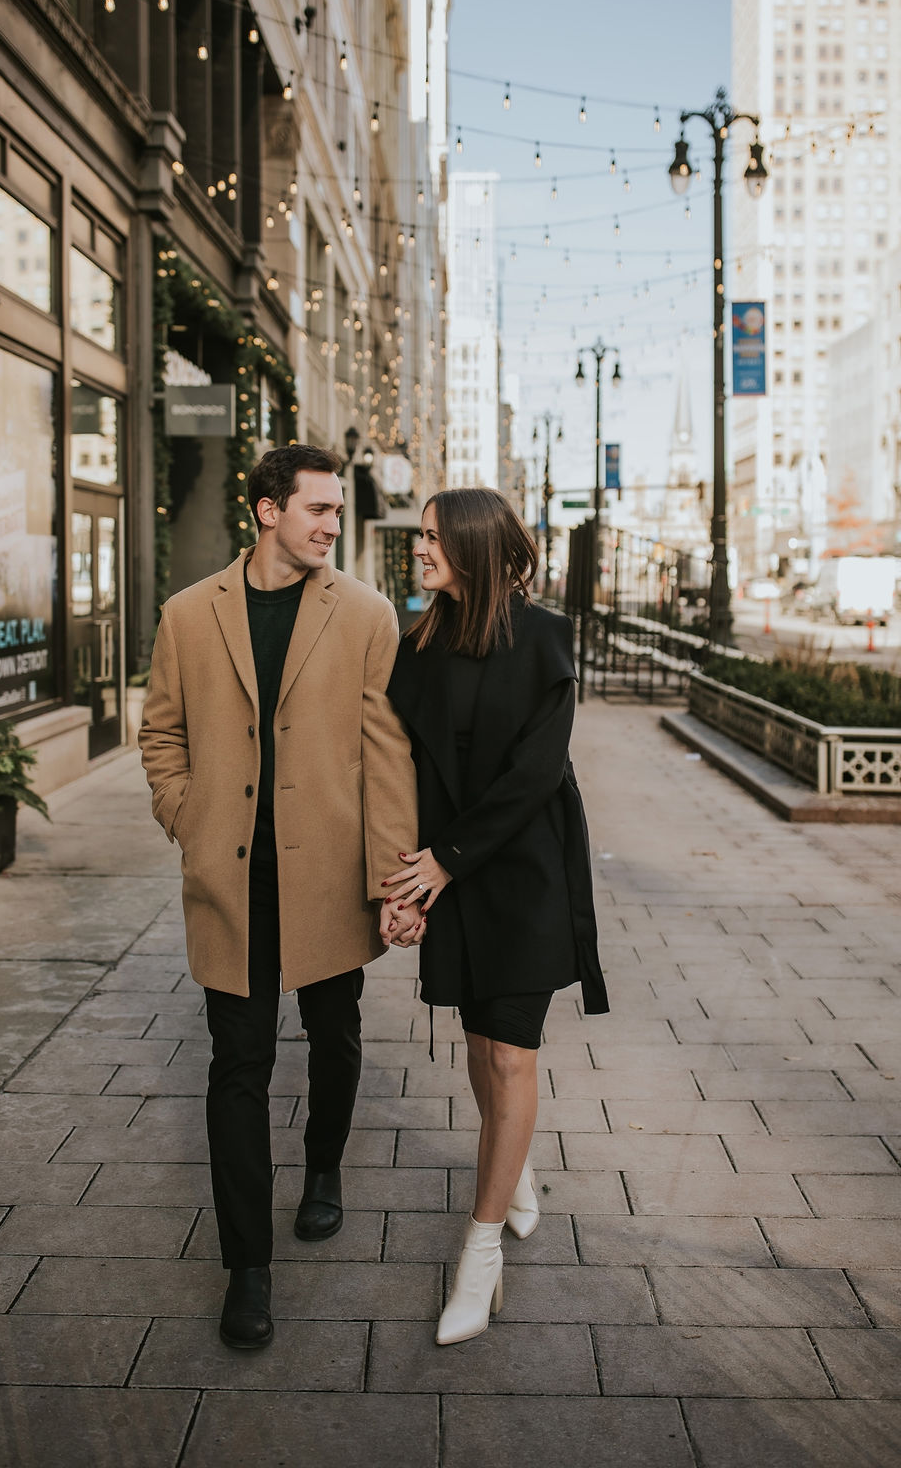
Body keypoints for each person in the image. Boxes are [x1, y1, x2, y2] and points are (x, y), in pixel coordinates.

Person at [139, 443, 419, 1350]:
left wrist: (391, 882)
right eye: (318, 510)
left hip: (331, 875)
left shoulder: (367, 615)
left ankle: (326, 1170)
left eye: (338, 511)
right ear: (266, 510)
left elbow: (386, 757)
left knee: (334, 1038)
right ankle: (247, 1266)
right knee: (238, 1068)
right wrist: (187, 816)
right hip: (230, 880)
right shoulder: (187, 614)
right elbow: (162, 734)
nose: (333, 525)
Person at [384, 487, 608, 1347]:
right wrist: (403, 877)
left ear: (475, 549)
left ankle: (480, 1256)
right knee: (478, 1044)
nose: (422, 548)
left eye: (435, 538)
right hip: (448, 878)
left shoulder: (546, 637)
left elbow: (535, 772)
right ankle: (512, 1172)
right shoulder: (420, 643)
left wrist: (447, 859)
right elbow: (400, 766)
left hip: (523, 874)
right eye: (422, 536)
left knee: (511, 1052)